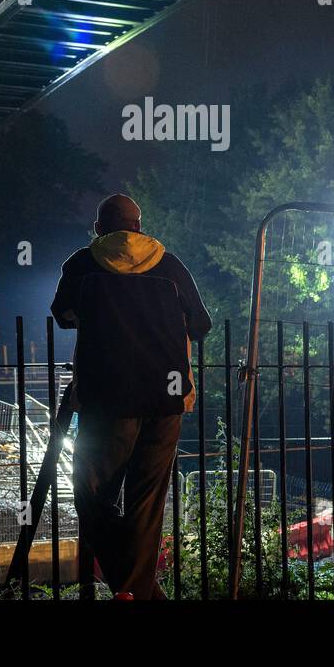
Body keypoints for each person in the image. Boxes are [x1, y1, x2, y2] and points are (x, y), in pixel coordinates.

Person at [51, 194, 212, 600]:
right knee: (147, 502)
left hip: (107, 400)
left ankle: (130, 584)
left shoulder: (83, 264)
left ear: (99, 229)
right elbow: (201, 325)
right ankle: (139, 589)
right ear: (140, 226)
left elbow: (64, 315)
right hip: (167, 399)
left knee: (90, 492)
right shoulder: (170, 265)